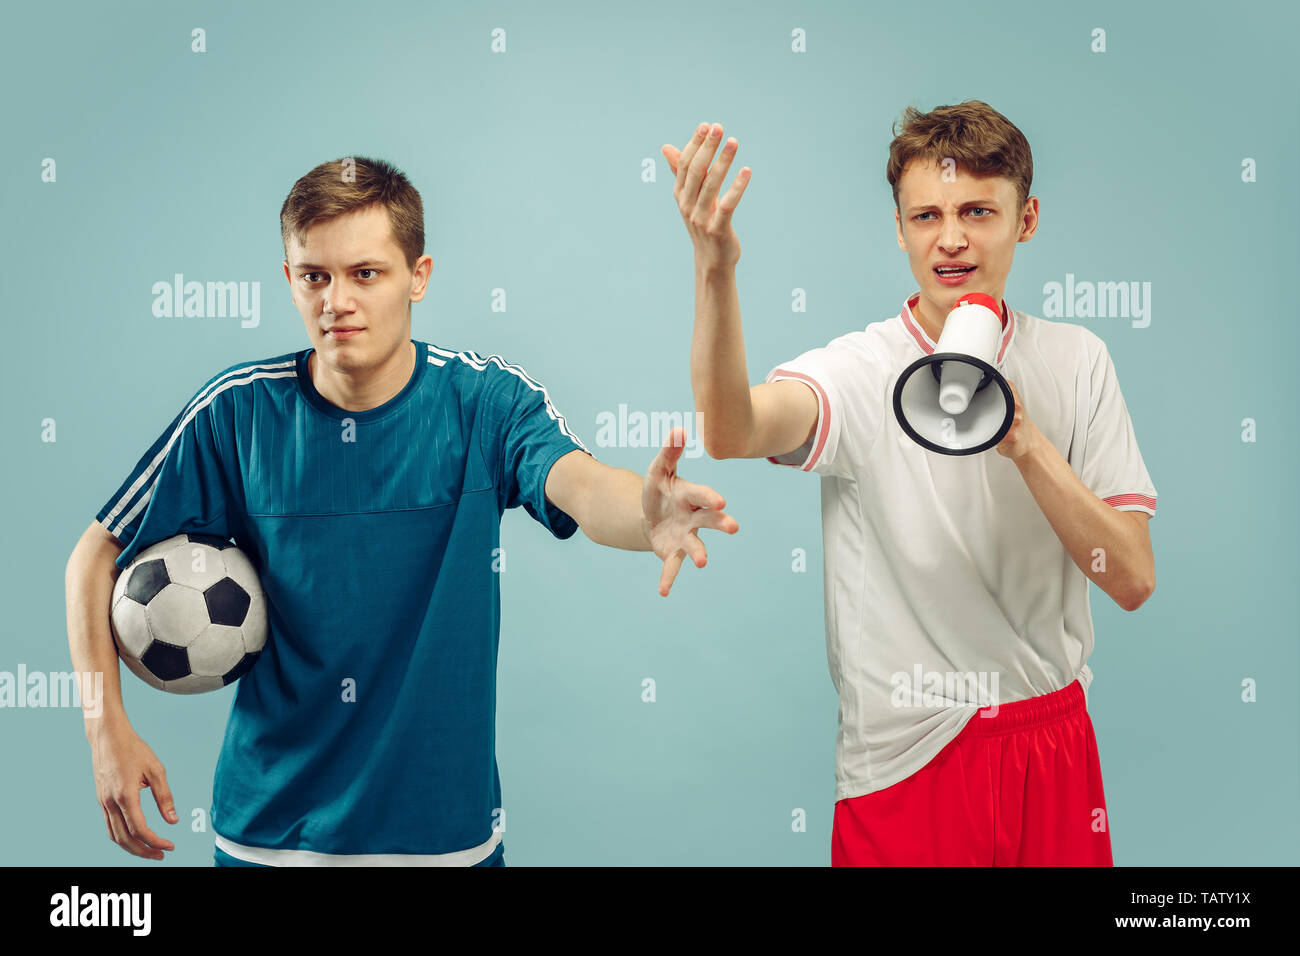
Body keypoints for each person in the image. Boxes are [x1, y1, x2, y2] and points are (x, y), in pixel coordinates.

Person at [65, 156, 738, 867]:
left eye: (365, 273)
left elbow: (581, 485)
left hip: (446, 844)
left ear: (418, 276)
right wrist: (103, 728)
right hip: (267, 840)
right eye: (314, 276)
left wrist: (645, 510)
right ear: (290, 280)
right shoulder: (236, 413)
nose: (336, 301)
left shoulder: (485, 402)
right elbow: (94, 556)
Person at [662, 102, 1157, 866]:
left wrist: (1025, 443)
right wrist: (716, 269)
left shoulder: (1079, 359)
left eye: (978, 212)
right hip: (912, 757)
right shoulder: (858, 371)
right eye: (926, 215)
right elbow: (732, 430)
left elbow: (1130, 579)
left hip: (1051, 742)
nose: (951, 239)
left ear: (1025, 220)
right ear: (900, 230)